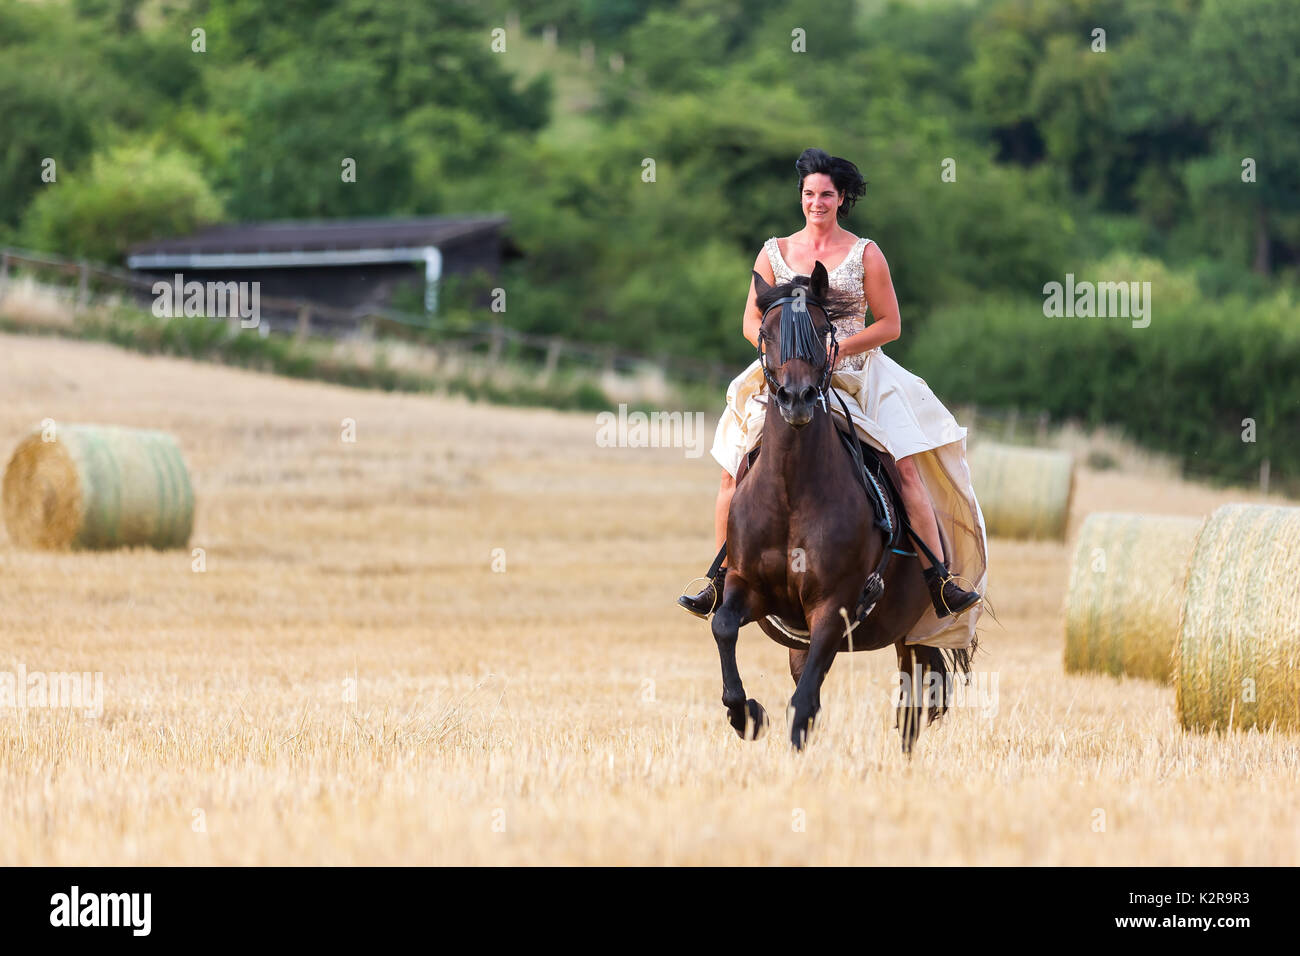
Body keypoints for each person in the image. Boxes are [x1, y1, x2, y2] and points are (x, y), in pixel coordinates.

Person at [677, 148, 986, 646]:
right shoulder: (773, 251)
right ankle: (721, 578)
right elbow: (750, 320)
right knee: (731, 468)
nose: (815, 202)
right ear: (800, 197)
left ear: (841, 199)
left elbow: (890, 324)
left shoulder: (866, 253)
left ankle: (938, 579)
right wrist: (779, 356)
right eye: (808, 194)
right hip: (787, 372)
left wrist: (839, 347)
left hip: (857, 372)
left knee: (904, 467)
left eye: (825, 194)